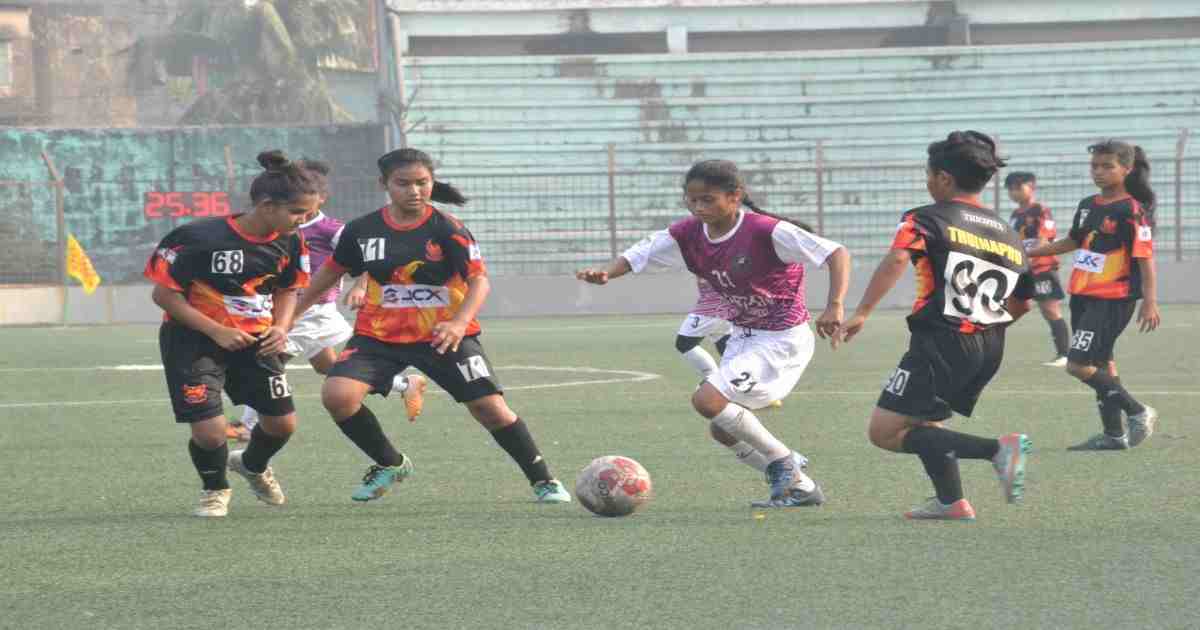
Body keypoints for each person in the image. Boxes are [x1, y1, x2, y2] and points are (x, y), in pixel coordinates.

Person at [293, 147, 572, 504]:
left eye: (422, 183)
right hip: (380, 335)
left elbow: (479, 281)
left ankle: (543, 480)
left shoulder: (448, 229)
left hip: (443, 336)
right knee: (338, 396)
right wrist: (290, 315)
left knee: (490, 409)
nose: (414, 191)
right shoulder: (362, 230)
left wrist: (458, 322)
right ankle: (389, 463)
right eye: (404, 183)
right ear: (385, 185)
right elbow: (330, 272)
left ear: (432, 182)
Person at [577, 159, 851, 508]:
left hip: (782, 339)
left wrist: (835, 305)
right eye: (691, 200)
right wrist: (607, 272)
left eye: (707, 199)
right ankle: (801, 487)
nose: (698, 208)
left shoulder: (767, 231)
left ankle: (783, 461)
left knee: (707, 401)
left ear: (734, 196)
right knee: (722, 428)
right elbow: (640, 253)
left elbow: (836, 253)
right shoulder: (688, 234)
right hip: (744, 336)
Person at [839, 131, 1034, 521]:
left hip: (942, 340)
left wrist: (860, 311)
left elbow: (897, 260)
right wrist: (981, 325)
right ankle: (952, 502)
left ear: (944, 178)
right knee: (925, 422)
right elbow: (1023, 303)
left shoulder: (925, 217)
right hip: (989, 345)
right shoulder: (1009, 234)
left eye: (929, 174)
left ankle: (997, 449)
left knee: (885, 432)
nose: (927, 182)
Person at [144, 150, 315, 517]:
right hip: (192, 341)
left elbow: (288, 289)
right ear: (267, 205)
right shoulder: (195, 237)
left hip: (256, 341)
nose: (305, 220)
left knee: (282, 424)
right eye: (298, 213)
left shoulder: (292, 241)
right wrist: (217, 330)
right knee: (210, 431)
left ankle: (251, 465)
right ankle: (215, 488)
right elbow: (163, 294)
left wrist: (282, 327)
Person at [232, 159, 426, 442]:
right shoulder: (281, 227)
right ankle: (404, 384)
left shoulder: (330, 229)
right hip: (291, 308)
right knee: (328, 368)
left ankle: (249, 426)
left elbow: (369, 257)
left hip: (313, 311)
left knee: (269, 359)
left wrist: (360, 285)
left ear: (321, 197)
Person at [1027, 140, 1160, 450]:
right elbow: (1072, 241)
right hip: (1083, 294)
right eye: (1095, 166)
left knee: (1077, 364)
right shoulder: (1088, 204)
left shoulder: (1132, 211)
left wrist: (1150, 301)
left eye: (1107, 166)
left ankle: (1138, 411)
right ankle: (1114, 435)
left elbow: (1145, 259)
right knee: (1102, 363)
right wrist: (1031, 253)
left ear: (1126, 169)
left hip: (1113, 298)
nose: (1098, 172)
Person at [1005, 171, 1071, 366]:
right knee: (1011, 307)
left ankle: (1064, 355)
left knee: (1050, 310)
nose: (1013, 192)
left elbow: (1043, 239)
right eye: (1010, 189)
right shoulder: (1015, 214)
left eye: (1018, 187)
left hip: (1041, 268)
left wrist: (1029, 259)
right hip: (1021, 268)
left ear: (1031, 187)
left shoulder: (1040, 210)